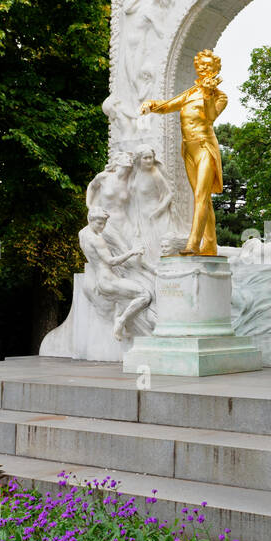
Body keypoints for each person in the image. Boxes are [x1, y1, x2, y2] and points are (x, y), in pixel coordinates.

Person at [139, 50, 227, 255]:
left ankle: (193, 244)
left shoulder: (220, 96)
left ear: (215, 69)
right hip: (188, 149)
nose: (204, 68)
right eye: (201, 65)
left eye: (208, 65)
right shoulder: (189, 93)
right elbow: (167, 106)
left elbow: (211, 117)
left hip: (205, 147)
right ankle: (210, 244)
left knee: (200, 196)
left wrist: (207, 95)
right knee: (203, 198)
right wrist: (151, 105)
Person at [79, 207, 151, 341]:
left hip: (101, 281)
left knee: (123, 298)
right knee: (144, 295)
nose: (102, 227)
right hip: (108, 281)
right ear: (90, 220)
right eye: (99, 223)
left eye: (104, 224)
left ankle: (123, 325)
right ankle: (121, 321)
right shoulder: (97, 240)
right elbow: (111, 261)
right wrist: (132, 252)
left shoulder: (82, 233)